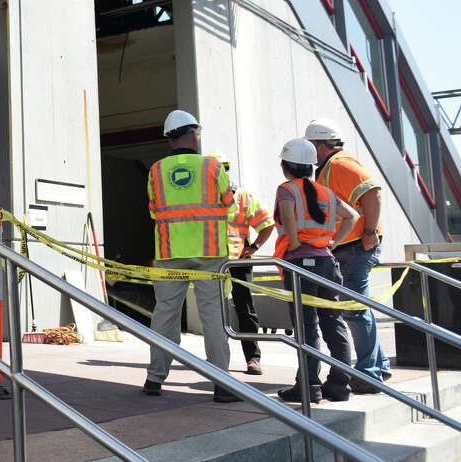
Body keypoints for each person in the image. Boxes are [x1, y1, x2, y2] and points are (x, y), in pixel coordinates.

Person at [143, 110, 238, 403]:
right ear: (194, 134)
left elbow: (153, 211)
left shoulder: (156, 170)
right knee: (212, 316)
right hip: (209, 254)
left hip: (170, 253)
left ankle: (154, 379)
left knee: (164, 315)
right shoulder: (212, 167)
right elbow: (230, 209)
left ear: (170, 139)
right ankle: (222, 384)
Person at [305, 118, 391, 392]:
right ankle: (379, 365)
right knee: (357, 307)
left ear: (320, 145)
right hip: (350, 247)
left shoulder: (341, 165)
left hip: (357, 247)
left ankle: (369, 373)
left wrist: (369, 232)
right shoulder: (331, 167)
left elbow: (373, 194)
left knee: (355, 310)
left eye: (310, 146)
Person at [272, 138, 360, 403]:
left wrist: (297, 242)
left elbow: (287, 215)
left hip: (300, 264)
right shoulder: (325, 192)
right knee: (333, 322)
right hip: (326, 262)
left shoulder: (286, 189)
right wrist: (333, 242)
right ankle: (340, 384)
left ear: (286, 166)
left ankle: (309, 386)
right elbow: (352, 216)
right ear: (310, 167)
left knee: (306, 326)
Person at [219, 155, 275, 376]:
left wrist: (254, 247)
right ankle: (217, 357)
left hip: (239, 262)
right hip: (214, 262)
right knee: (215, 310)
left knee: (245, 309)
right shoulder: (206, 198)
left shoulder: (243, 197)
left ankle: (253, 358)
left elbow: (266, 224)